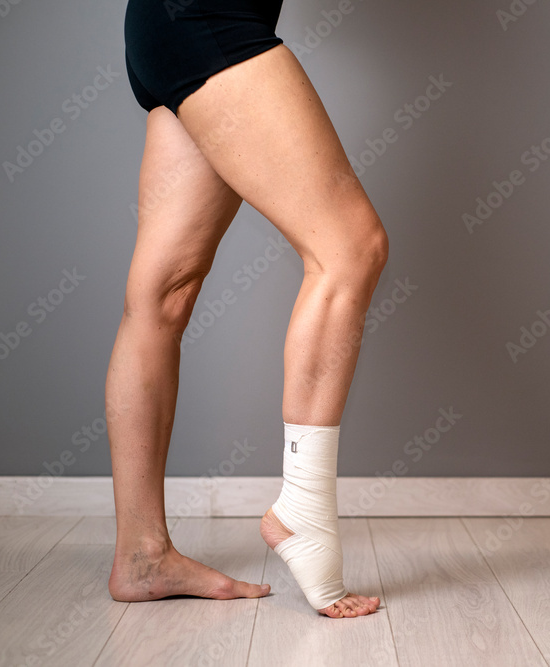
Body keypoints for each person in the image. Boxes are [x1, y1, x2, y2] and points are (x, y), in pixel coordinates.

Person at [106, 0, 384, 619]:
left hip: (163, 26)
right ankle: (302, 514)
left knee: (162, 297)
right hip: (211, 22)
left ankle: (141, 556)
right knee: (350, 250)